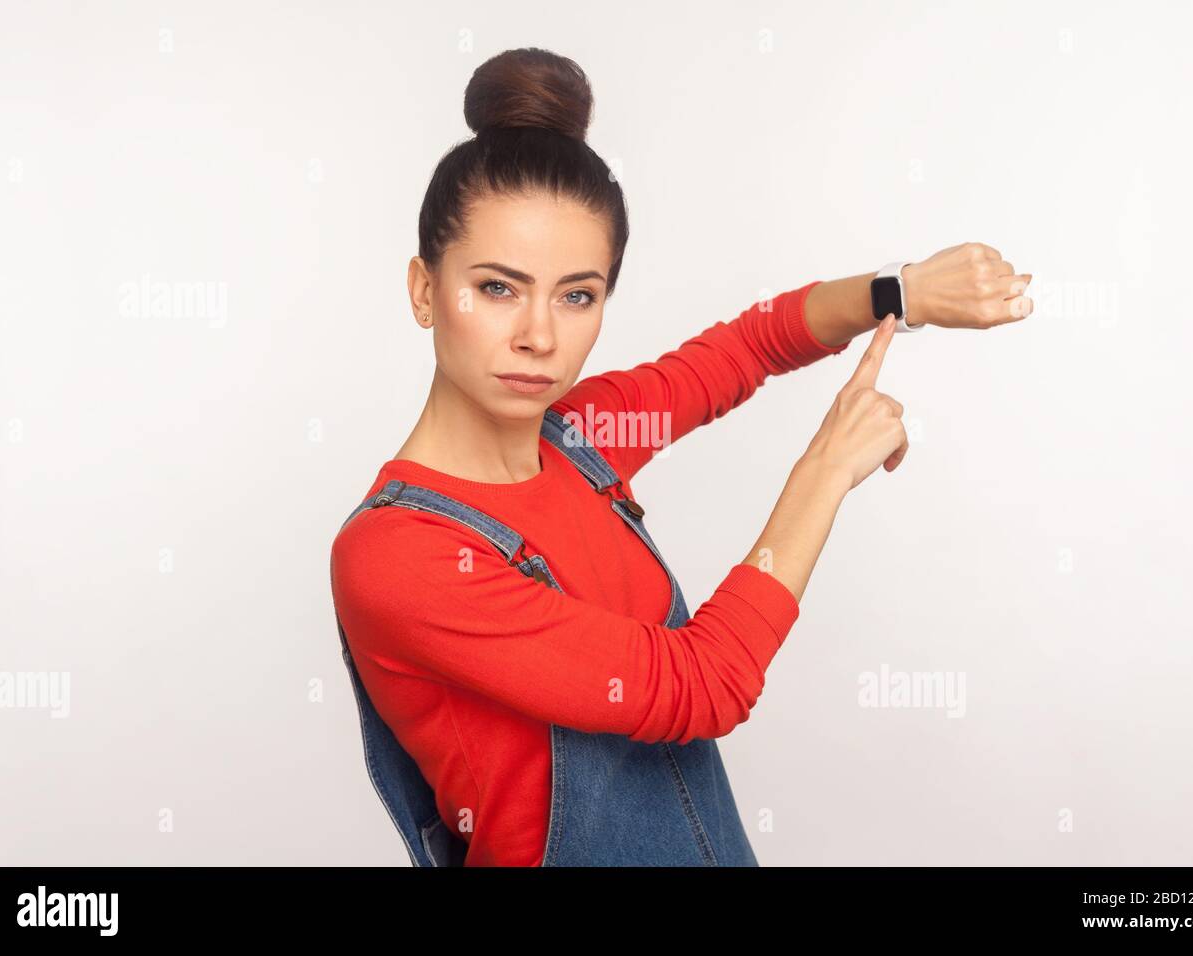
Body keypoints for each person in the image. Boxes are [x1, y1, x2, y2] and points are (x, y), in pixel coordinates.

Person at [329, 46, 1033, 867]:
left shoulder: (584, 438)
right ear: (424, 290)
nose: (540, 336)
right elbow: (704, 683)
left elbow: (748, 346)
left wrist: (899, 290)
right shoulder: (398, 556)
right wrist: (826, 471)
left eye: (577, 294)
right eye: (497, 287)